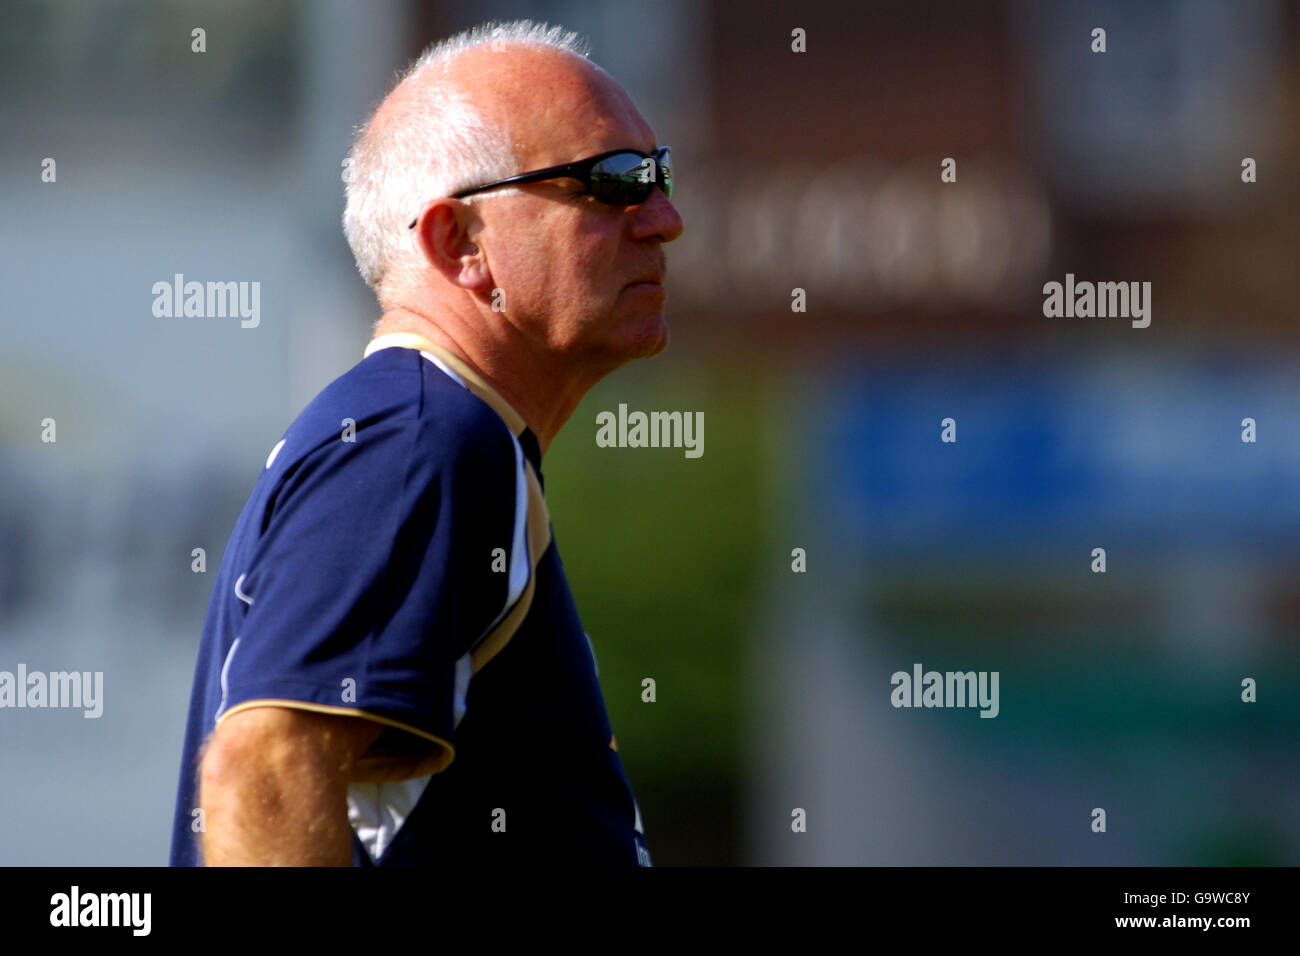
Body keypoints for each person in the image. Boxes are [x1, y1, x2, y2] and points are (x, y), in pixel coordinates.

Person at [169, 19, 684, 867]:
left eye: (660, 175)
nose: (665, 219)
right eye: (615, 182)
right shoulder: (422, 438)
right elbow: (262, 767)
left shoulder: (446, 434)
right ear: (460, 242)